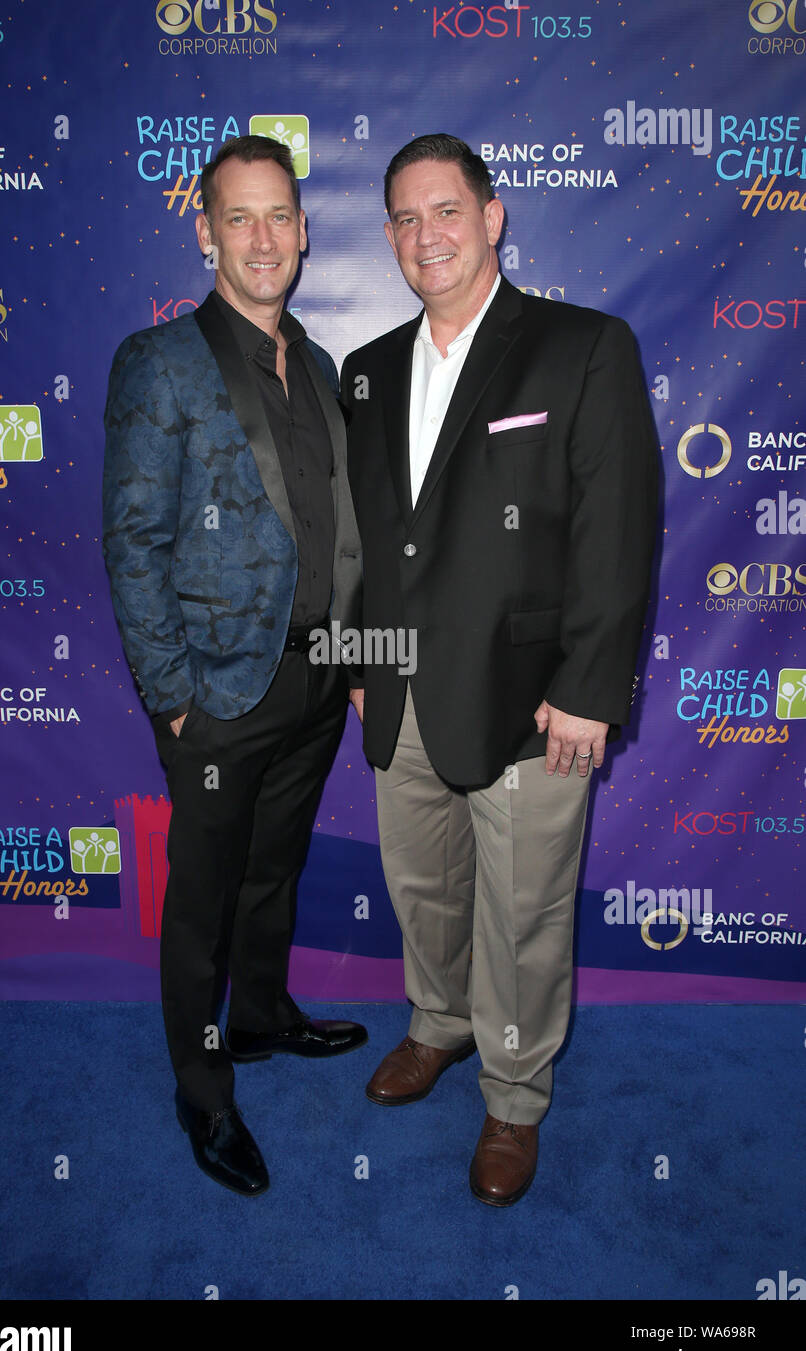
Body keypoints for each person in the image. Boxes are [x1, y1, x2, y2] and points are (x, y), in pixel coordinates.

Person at [341, 134, 658, 1207]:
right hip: (401, 694)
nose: (423, 236)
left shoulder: (580, 347)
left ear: (492, 215)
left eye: (444, 210)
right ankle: (438, 1025)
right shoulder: (369, 369)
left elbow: (617, 534)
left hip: (534, 701)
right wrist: (360, 659)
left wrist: (589, 688)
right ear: (387, 235)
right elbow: (365, 538)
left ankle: (513, 1093)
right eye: (403, 218)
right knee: (423, 889)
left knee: (523, 912)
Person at [103, 135, 366, 1198]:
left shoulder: (318, 360)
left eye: (280, 217)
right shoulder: (158, 360)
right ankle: (203, 1090)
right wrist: (172, 698)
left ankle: (259, 1018)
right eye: (239, 218)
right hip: (214, 694)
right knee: (204, 899)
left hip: (311, 684)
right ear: (205, 230)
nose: (263, 239)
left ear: (304, 231)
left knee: (274, 871)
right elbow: (133, 539)